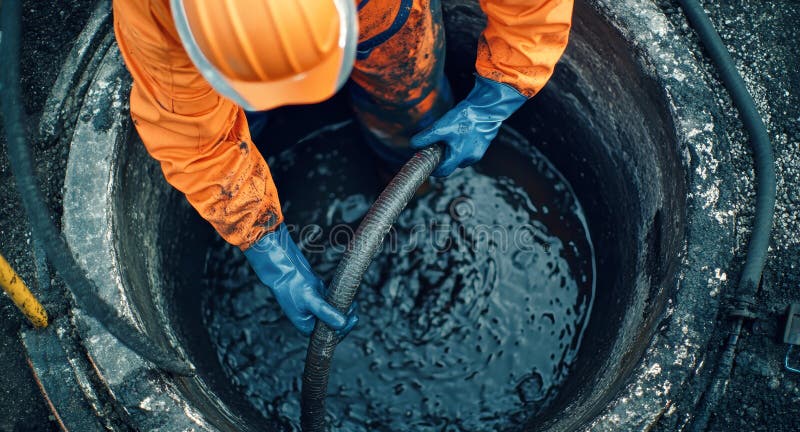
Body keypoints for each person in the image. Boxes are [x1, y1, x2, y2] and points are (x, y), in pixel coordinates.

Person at [112, 0, 573, 336]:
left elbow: (535, 6)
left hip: (379, 10)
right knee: (235, 126)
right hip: (210, 56)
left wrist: (500, 91)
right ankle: (259, 121)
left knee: (408, 106)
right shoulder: (158, 14)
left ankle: (408, 180)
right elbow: (194, 138)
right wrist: (267, 247)